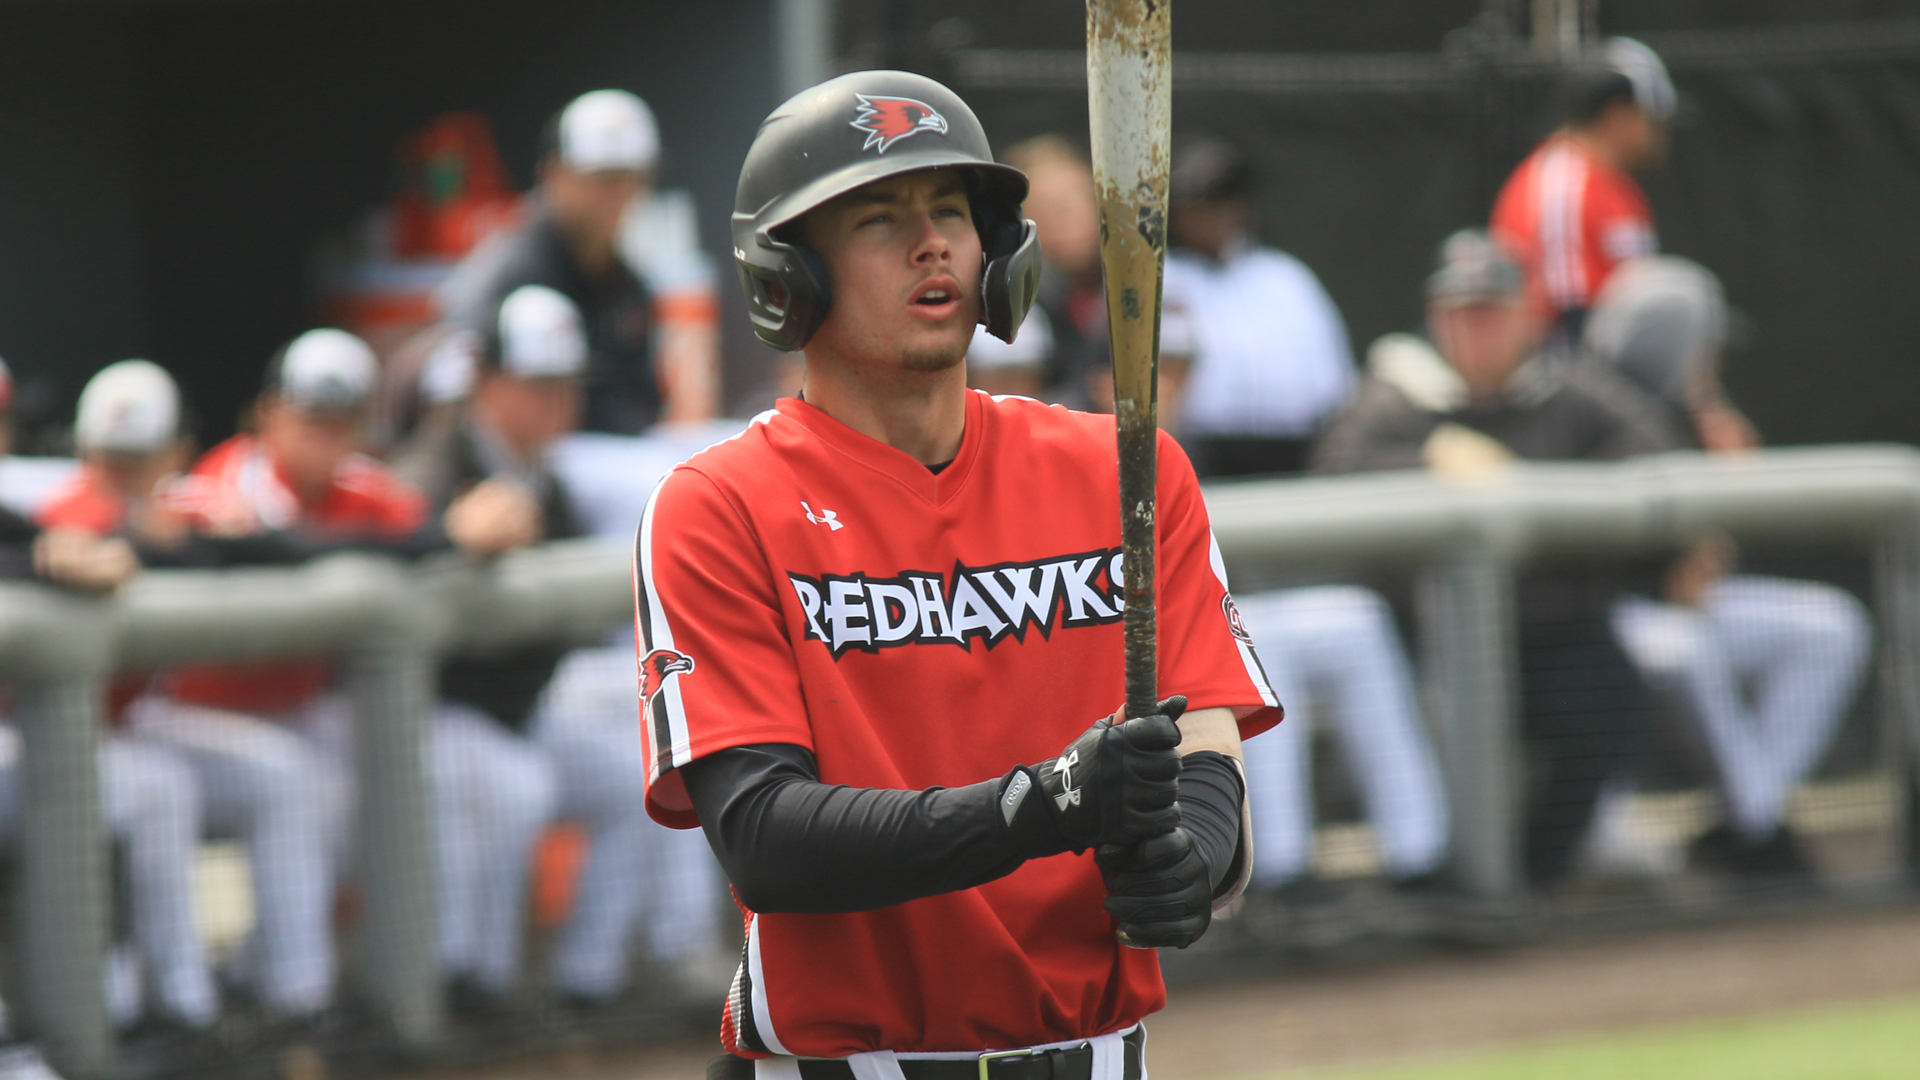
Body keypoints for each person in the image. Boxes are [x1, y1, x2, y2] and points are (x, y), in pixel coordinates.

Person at [643, 70, 1280, 1075]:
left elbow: (1203, 738)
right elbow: (766, 834)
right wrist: (1039, 805)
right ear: (787, 271)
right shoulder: (721, 505)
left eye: (950, 208)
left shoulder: (1129, 468)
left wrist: (1192, 849)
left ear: (999, 253)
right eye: (876, 217)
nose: (929, 240)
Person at [152, 329, 540, 1019]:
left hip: (299, 707)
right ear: (268, 413)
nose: (322, 436)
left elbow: (431, 532)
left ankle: (445, 979)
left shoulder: (365, 489)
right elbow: (285, 549)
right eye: (308, 416)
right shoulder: (222, 483)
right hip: (190, 711)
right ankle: (290, 999)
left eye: (339, 421)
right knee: (302, 791)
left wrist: (493, 517)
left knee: (450, 771)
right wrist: (446, 536)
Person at [1314, 231, 1681, 886]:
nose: (1478, 329)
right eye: (1463, 314)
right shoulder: (1398, 394)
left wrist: (1522, 481)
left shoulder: (1567, 387)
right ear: (1437, 319)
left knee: (1611, 699)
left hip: (1554, 625)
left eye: (1491, 312)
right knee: (1421, 729)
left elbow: (1654, 451)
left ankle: (1535, 875)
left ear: (1526, 316)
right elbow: (1338, 470)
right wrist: (1431, 460)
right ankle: (1440, 884)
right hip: (1425, 636)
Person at [394, 285, 696, 1006]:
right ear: (487, 382)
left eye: (566, 384)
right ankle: (470, 985)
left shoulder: (547, 479)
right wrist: (451, 537)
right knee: (511, 788)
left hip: (519, 704)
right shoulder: (432, 468)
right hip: (432, 713)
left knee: (641, 777)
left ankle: (587, 981)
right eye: (539, 384)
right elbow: (393, 557)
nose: (560, 401)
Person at [1588, 258, 1871, 879]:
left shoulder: (1698, 415)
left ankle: (1745, 820)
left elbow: (1705, 571)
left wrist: (1725, 478)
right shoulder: (1589, 406)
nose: (1711, 361)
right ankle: (1758, 829)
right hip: (1607, 620)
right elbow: (1664, 578)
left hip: (1679, 610)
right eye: (1704, 346)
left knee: (1830, 628)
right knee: (1683, 648)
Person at [439, 90, 714, 435]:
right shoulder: (514, 273)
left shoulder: (628, 282)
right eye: (602, 177)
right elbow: (464, 406)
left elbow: (644, 399)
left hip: (605, 450)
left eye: (633, 176)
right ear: (553, 174)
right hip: (526, 460)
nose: (619, 193)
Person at [1232, 587, 1449, 900]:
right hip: (1233, 610)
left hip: (1324, 600)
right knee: (1257, 646)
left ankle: (1419, 858)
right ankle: (1280, 873)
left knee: (1364, 617)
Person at [1164, 139, 1355, 478]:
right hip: (1197, 453)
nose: (1210, 215)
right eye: (1198, 205)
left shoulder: (1285, 278)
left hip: (1295, 453)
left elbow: (1335, 384)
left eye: (1221, 201)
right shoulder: (1161, 278)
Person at [1491, 37, 1676, 347]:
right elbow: (1568, 324)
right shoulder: (1563, 187)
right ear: (1618, 114)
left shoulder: (1612, 183)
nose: (1662, 134)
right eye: (1654, 120)